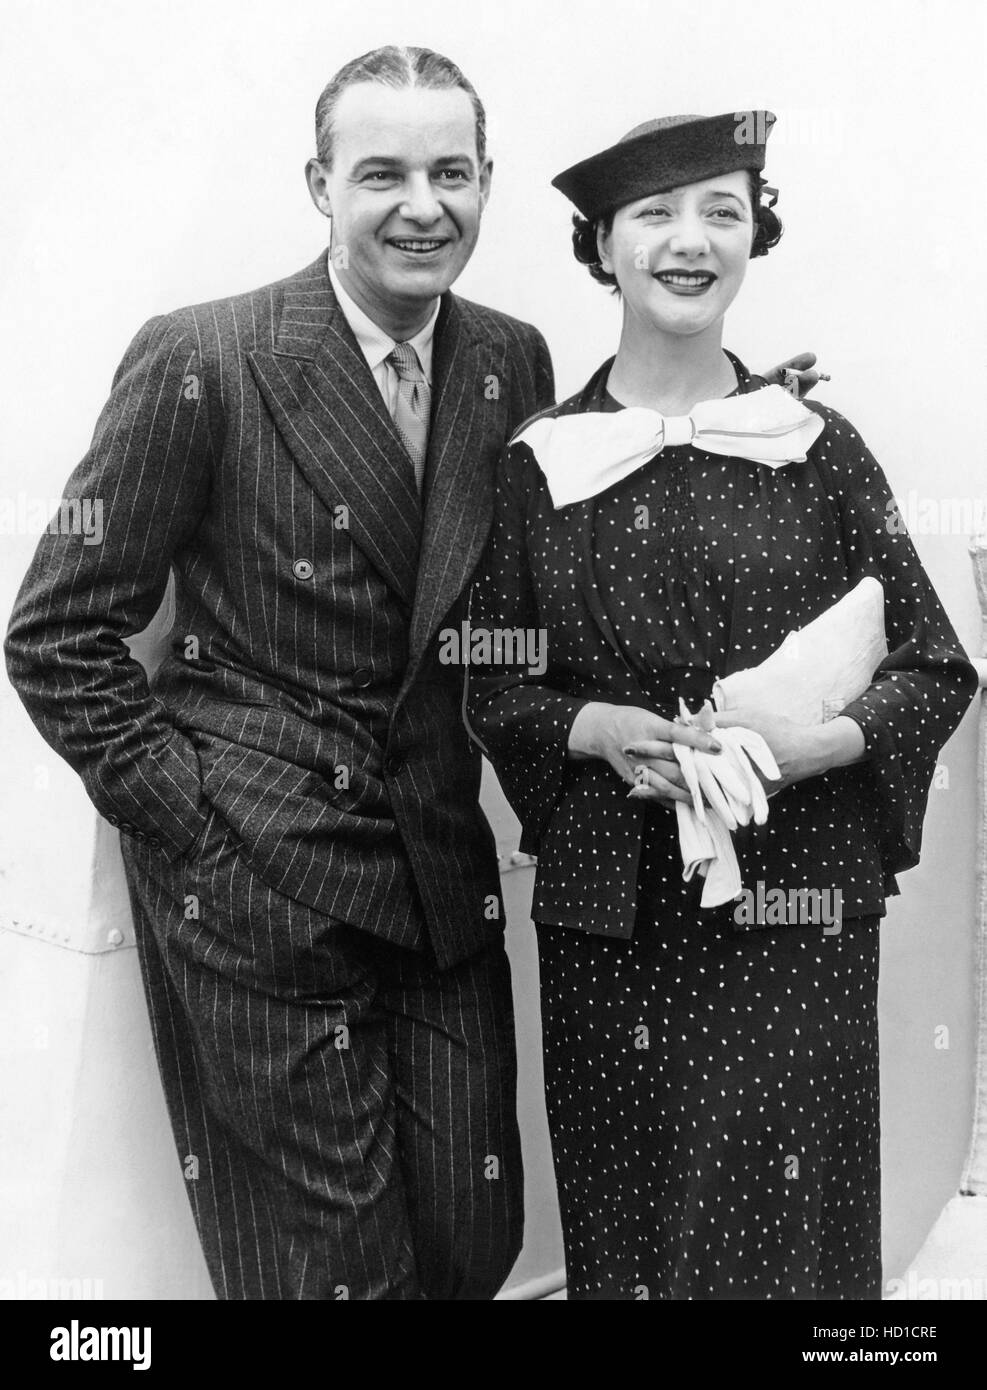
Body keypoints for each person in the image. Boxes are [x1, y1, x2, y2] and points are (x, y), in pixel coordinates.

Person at [3, 47, 820, 1301]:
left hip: (438, 872)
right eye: (381, 173)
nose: (420, 204)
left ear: (487, 183)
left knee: (470, 1241)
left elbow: (574, 527)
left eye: (450, 171)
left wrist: (759, 426)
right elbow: (57, 632)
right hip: (258, 877)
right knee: (329, 1271)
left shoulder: (513, 358)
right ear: (319, 184)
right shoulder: (203, 356)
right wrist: (196, 820)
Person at [466, 111, 978, 1300]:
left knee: (792, 1234)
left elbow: (934, 665)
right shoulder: (539, 460)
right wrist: (597, 731)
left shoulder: (819, 445)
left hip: (794, 907)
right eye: (654, 214)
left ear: (757, 237)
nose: (689, 242)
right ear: (602, 244)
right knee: (637, 1223)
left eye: (722, 213)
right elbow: (495, 676)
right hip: (616, 914)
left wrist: (818, 746)